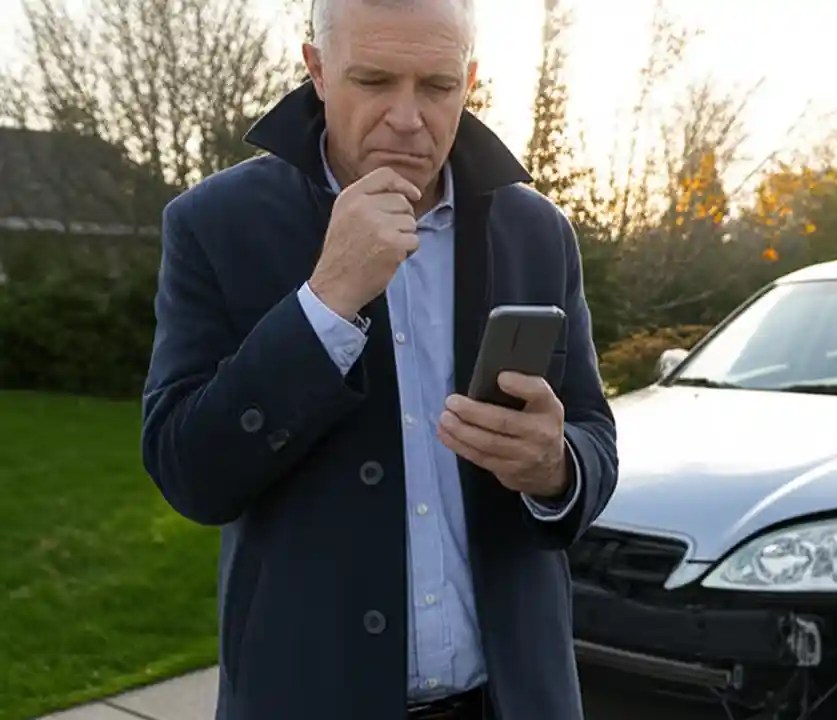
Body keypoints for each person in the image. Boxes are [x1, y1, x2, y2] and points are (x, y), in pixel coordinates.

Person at [139, 0, 618, 718]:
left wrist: (556, 467)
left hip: (516, 700)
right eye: (374, 80)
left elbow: (593, 438)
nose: (407, 117)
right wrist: (327, 300)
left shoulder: (536, 231)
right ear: (317, 70)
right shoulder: (215, 225)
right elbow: (189, 474)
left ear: (471, 79)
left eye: (436, 86)